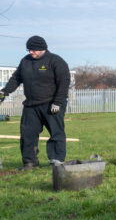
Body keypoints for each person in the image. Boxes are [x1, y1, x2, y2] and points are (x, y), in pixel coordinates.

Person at [0, 36, 71, 170]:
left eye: (34, 50)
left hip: (51, 104)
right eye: (29, 50)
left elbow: (64, 82)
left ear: (42, 48)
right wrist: (4, 92)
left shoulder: (55, 61)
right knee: (27, 134)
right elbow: (16, 78)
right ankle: (30, 162)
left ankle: (56, 161)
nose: (31, 52)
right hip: (31, 105)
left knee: (56, 133)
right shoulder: (25, 61)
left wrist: (57, 102)